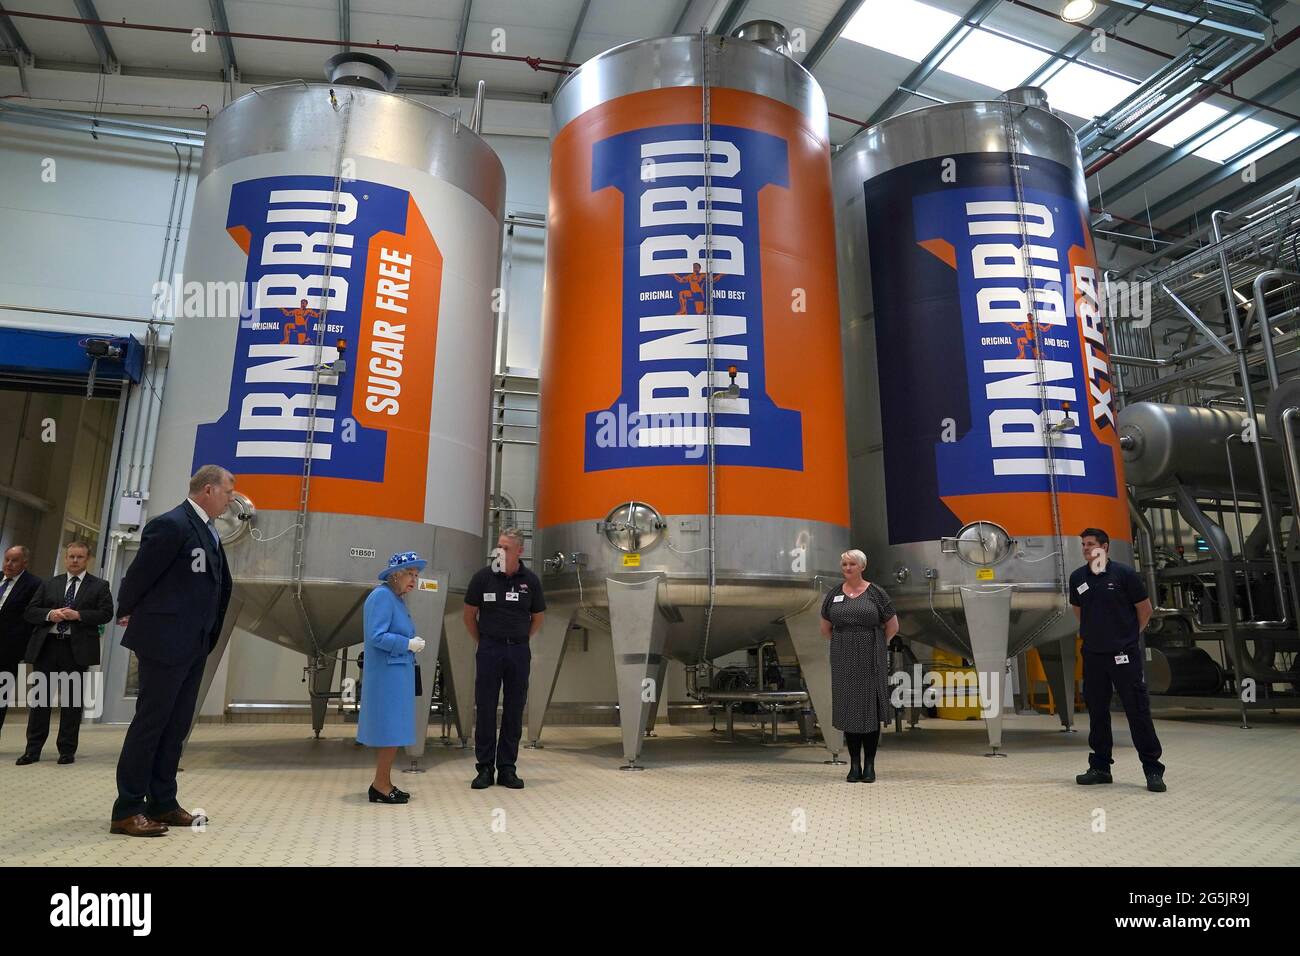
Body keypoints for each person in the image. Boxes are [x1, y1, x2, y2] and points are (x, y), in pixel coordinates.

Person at [109, 465, 234, 837]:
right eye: (228, 491)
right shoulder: (172, 524)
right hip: (164, 640)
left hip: (194, 642)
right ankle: (127, 809)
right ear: (208, 490)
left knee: (175, 727)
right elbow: (140, 574)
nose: (231, 499)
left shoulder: (210, 532)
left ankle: (162, 801)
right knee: (151, 725)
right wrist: (126, 610)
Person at [1070, 527, 1165, 792]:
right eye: (1084, 545)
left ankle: (1152, 770)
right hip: (1093, 656)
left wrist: (1126, 637)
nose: (1087, 548)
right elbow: (1079, 612)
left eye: (1091, 544)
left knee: (1137, 711)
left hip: (1123, 655)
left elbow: (1144, 611)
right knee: (1097, 713)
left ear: (1105, 546)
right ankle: (1100, 767)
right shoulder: (1078, 577)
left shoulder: (1124, 574)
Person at [462, 528, 545, 790]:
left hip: (518, 652)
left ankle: (507, 768)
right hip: (489, 650)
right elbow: (468, 616)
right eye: (498, 546)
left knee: (514, 708)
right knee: (485, 707)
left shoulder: (530, 581)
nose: (499, 551)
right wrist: (486, 642)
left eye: (506, 547)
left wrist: (518, 640)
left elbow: (538, 617)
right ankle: (485, 767)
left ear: (520, 551)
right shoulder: (483, 578)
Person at [18, 541, 114, 765]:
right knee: (41, 701)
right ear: (65, 558)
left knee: (72, 702)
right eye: (71, 556)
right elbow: (31, 611)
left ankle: (67, 750)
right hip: (48, 646)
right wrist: (51, 614)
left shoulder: (99, 586)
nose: (74, 560)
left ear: (87, 559)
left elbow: (106, 614)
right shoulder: (50, 583)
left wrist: (78, 615)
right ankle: (33, 750)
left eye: (79, 557)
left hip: (76, 649)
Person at [821, 549, 899, 783]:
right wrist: (846, 642)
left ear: (862, 567)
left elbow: (893, 626)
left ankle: (870, 765)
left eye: (852, 564)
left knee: (869, 711)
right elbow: (825, 629)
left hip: (870, 655)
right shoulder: (834, 594)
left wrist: (876, 643)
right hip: (843, 656)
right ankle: (854, 764)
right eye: (844, 564)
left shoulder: (876, 593)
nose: (847, 568)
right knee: (848, 710)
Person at [358, 551, 428, 804]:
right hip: (388, 676)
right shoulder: (382, 597)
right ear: (395, 575)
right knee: (390, 730)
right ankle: (380, 785)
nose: (414, 580)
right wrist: (407, 644)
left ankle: (383, 782)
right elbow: (377, 636)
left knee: (394, 730)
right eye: (410, 574)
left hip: (397, 674)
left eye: (416, 576)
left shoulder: (396, 598)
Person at [0, 545, 41, 740]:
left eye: (14, 560)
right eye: (6, 559)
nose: (8, 564)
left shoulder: (33, 584)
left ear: (24, 562)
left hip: (8, 649)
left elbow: (30, 618)